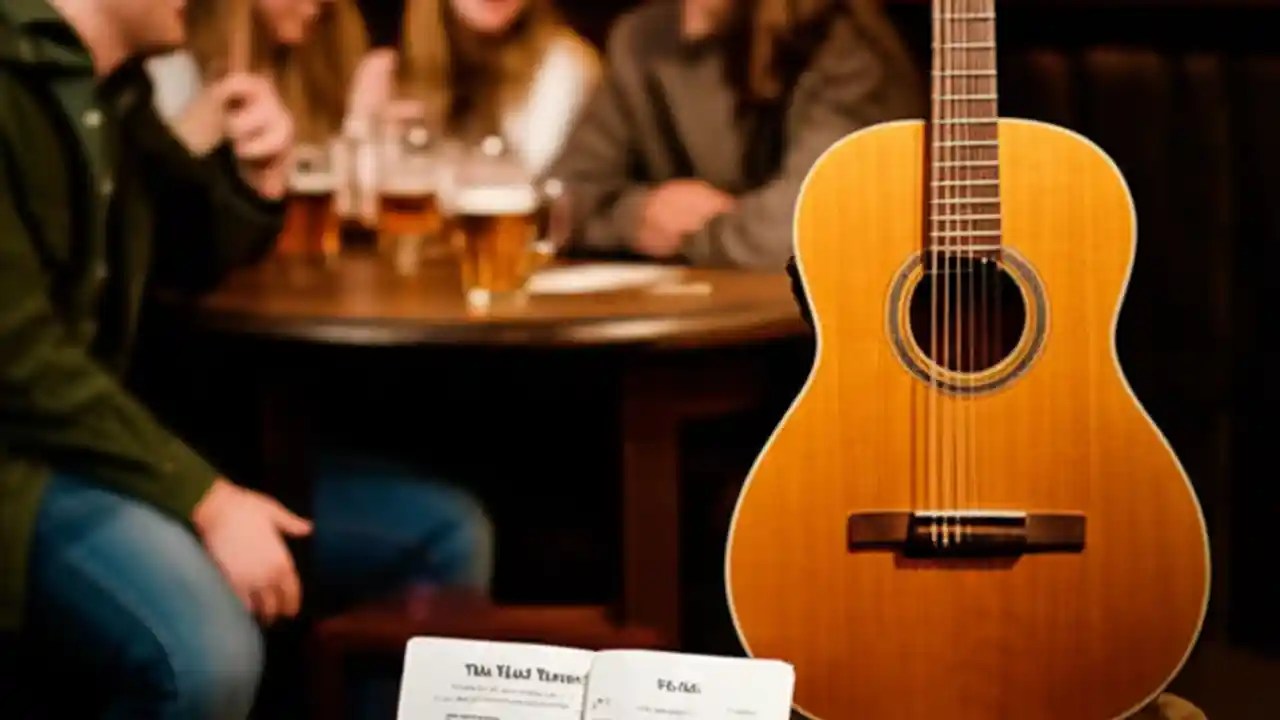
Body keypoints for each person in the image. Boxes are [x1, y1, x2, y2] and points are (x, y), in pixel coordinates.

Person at [0, 1, 490, 719]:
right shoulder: (18, 74)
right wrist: (209, 499)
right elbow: (19, 358)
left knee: (443, 533)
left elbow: (187, 256)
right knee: (205, 656)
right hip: (27, 465)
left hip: (113, 450)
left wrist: (261, 180)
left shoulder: (114, 90)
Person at [548, 0, 923, 271]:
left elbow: (804, 229)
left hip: (816, 333)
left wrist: (694, 233)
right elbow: (563, 205)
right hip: (691, 331)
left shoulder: (844, 39)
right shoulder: (640, 39)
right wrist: (637, 218)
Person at [345, 0, 601, 175]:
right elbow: (354, 197)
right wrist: (377, 148)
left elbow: (533, 184)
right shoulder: (386, 74)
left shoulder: (565, 65)